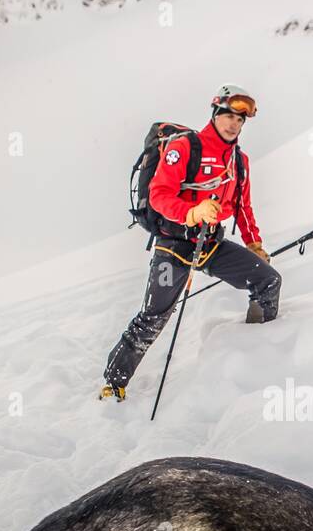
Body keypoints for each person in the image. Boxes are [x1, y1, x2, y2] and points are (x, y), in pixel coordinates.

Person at [101, 84, 281, 400]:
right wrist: (191, 212)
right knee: (154, 316)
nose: (234, 124)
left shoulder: (239, 161)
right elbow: (159, 195)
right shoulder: (185, 147)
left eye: (240, 120)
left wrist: (254, 244)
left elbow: (242, 206)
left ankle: (259, 352)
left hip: (210, 244)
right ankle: (114, 383)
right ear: (215, 114)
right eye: (229, 116)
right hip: (173, 246)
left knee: (268, 281)